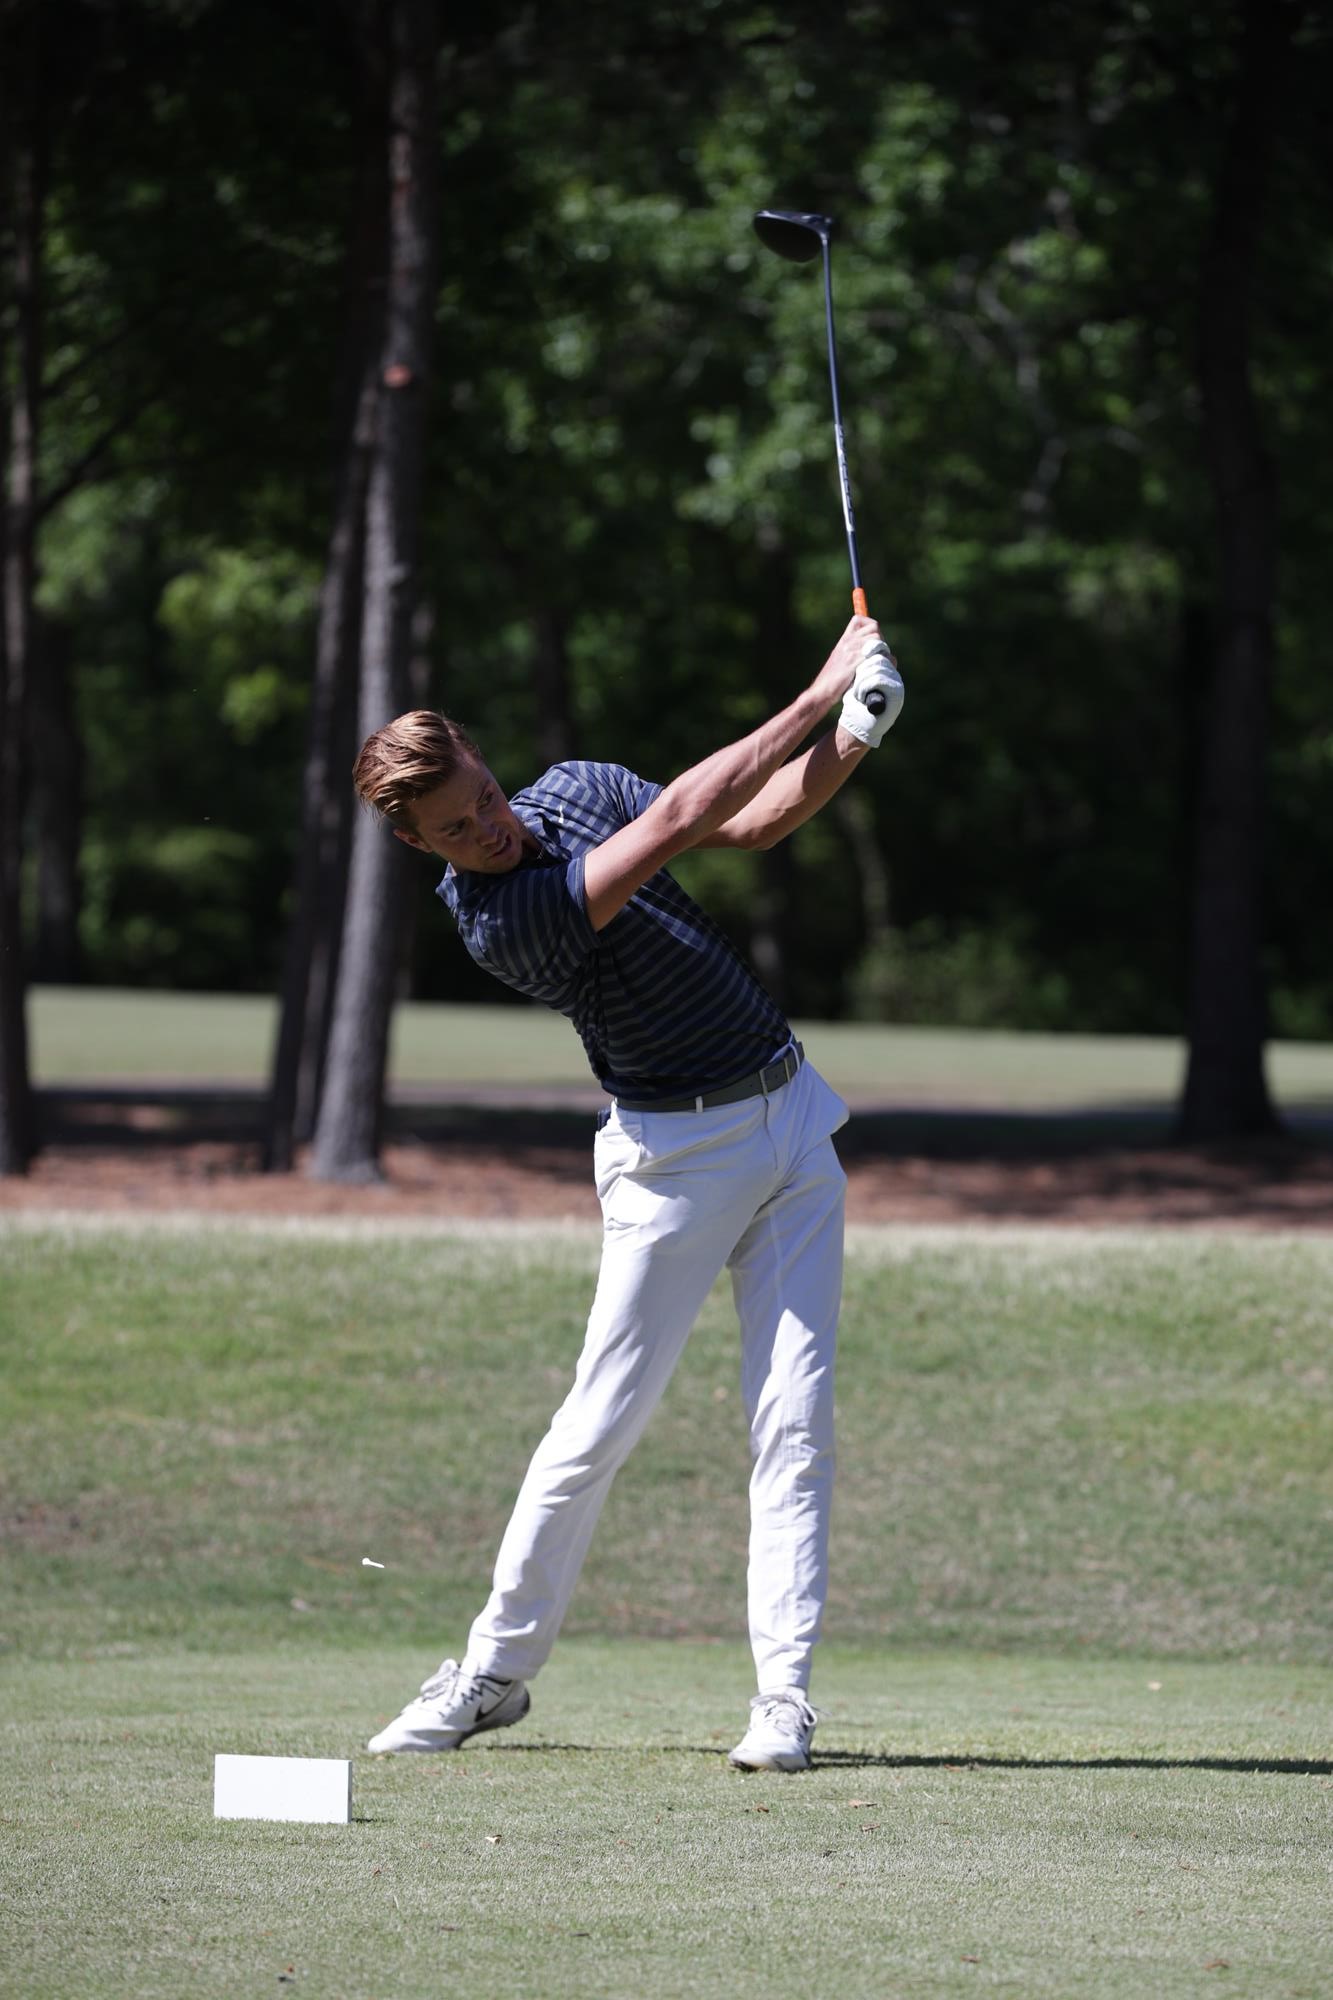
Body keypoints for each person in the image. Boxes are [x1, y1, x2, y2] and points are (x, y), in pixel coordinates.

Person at [356, 615, 903, 1771]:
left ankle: (782, 1701)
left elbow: (747, 821)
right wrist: (816, 691)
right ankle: (493, 1670)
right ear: (419, 843)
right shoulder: (499, 919)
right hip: (672, 1164)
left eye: (486, 796)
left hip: (792, 1113)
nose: (490, 827)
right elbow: (675, 822)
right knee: (595, 1428)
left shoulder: (575, 787)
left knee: (795, 1424)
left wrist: (854, 730)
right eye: (456, 828)